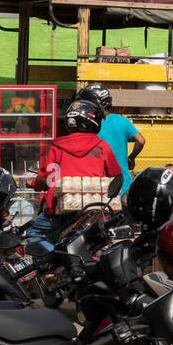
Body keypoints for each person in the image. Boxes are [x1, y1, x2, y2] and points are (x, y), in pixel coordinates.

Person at [27, 99, 122, 249]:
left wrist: (33, 183)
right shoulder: (102, 146)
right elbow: (116, 175)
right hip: (93, 209)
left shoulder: (57, 147)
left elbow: (49, 179)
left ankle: (49, 262)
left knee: (34, 233)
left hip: (59, 210)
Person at [78, 83, 145, 196]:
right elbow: (141, 140)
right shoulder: (122, 121)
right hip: (123, 184)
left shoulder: (90, 124)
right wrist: (132, 157)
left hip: (101, 186)